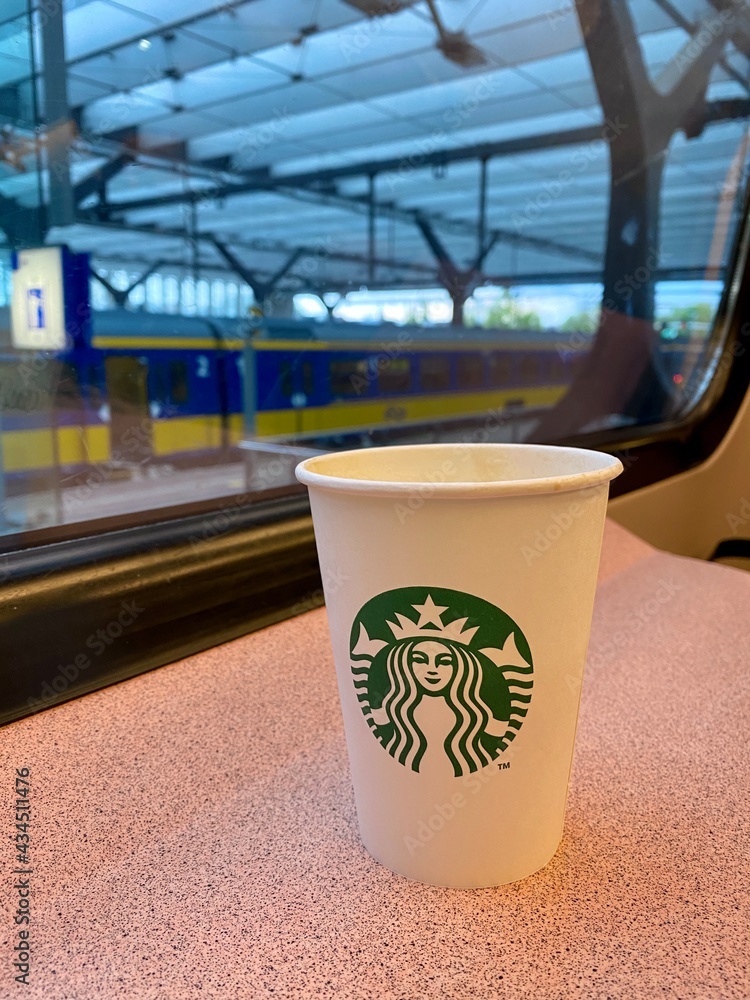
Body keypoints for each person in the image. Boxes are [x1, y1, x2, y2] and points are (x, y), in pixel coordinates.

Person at [371, 637, 506, 776]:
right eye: (420, 660)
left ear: (460, 666)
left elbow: (502, 733)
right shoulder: (395, 707)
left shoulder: (476, 711)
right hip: (399, 786)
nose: (432, 669)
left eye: (444, 662)